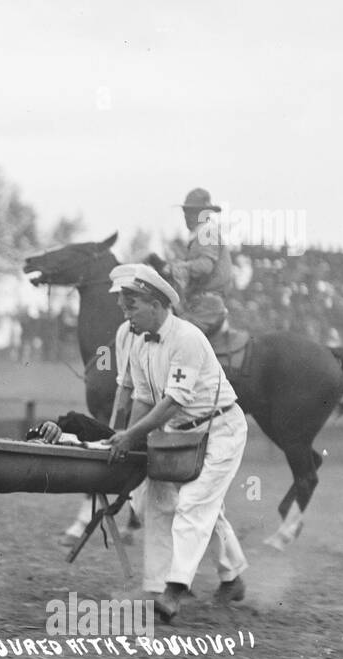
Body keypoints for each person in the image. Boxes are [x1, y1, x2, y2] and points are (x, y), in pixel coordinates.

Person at [103, 263, 249, 621]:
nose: (126, 313)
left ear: (156, 304)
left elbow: (173, 402)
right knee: (160, 499)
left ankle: (174, 591)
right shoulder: (137, 340)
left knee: (195, 503)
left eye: (132, 305)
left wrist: (133, 435)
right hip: (178, 434)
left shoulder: (186, 338)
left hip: (220, 429)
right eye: (123, 306)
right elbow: (142, 397)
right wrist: (124, 440)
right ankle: (222, 578)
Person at [167, 188, 234, 338]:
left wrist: (179, 267)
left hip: (205, 306)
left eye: (193, 212)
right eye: (186, 212)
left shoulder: (207, 233)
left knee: (178, 340)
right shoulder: (199, 236)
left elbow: (205, 266)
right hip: (197, 303)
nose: (187, 216)